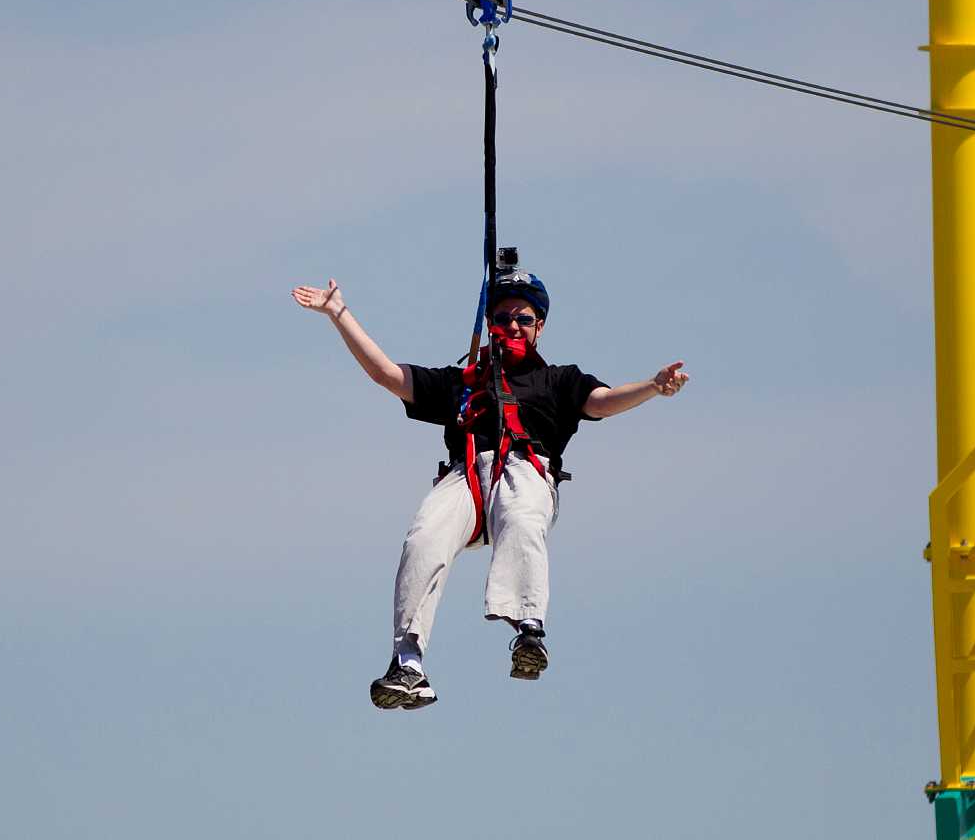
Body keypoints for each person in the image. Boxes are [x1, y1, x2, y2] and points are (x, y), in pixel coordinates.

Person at [291, 269, 688, 710]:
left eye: (524, 319)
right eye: (503, 319)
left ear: (540, 326)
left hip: (524, 470)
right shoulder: (461, 382)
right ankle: (408, 663)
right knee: (423, 539)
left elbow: (603, 402)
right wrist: (339, 313)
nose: (513, 327)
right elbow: (385, 374)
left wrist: (652, 387)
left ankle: (528, 628)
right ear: (490, 325)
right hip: (466, 477)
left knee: (521, 516)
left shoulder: (559, 380)